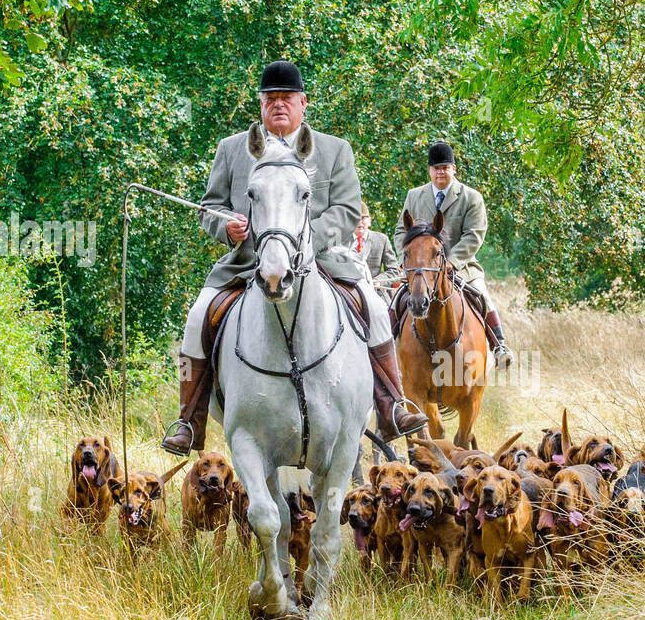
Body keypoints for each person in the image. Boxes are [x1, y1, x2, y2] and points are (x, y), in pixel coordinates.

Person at [161, 61, 428, 455]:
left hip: (322, 260)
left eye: (287, 98)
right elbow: (210, 207)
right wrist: (228, 228)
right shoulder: (233, 149)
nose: (278, 106)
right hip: (247, 262)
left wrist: (305, 243)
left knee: (372, 305)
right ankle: (188, 420)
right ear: (261, 105)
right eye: (270, 99)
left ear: (303, 103)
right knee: (199, 315)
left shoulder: (335, 148)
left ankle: (393, 405)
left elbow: (348, 209)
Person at [391, 141, 513, 367]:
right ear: (429, 170)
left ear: (453, 169)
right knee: (396, 301)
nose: (440, 172)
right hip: (422, 268)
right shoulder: (414, 196)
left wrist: (452, 262)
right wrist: (404, 259)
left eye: (445, 168)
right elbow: (401, 231)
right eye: (436, 168)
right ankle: (386, 349)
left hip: (461, 267)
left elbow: (474, 235)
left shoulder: (471, 197)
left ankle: (499, 346)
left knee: (481, 295)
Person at [355, 202, 400, 287]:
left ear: (369, 221)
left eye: (363, 218)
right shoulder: (342, 241)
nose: (359, 222)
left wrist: (378, 281)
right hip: (347, 293)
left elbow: (394, 270)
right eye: (355, 218)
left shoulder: (382, 240)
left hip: (376, 292)